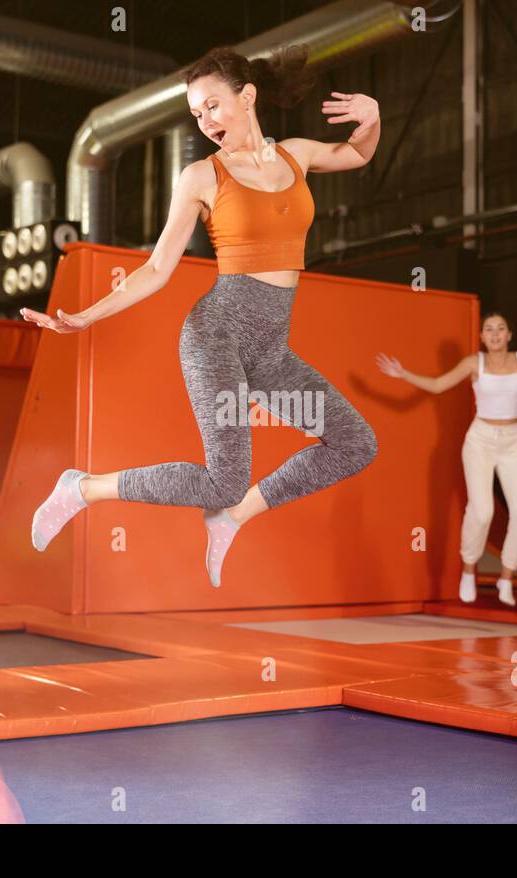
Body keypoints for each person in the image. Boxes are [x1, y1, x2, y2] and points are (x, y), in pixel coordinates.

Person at [19, 45, 381, 587]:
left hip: (270, 351)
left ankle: (233, 518)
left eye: (213, 106)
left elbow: (357, 154)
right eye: (196, 114)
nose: (206, 121)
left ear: (248, 96)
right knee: (224, 478)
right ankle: (81, 488)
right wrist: (85, 318)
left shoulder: (295, 156)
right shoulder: (201, 177)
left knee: (356, 444)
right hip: (216, 336)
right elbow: (157, 268)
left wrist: (372, 116)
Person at [376, 310, 517, 606]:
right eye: (489, 329)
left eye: (501, 328)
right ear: (483, 337)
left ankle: (506, 578)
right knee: (482, 510)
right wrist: (403, 373)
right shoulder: (475, 363)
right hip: (481, 441)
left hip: (514, 442)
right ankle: (469, 569)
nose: (495, 333)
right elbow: (437, 385)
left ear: (509, 335)